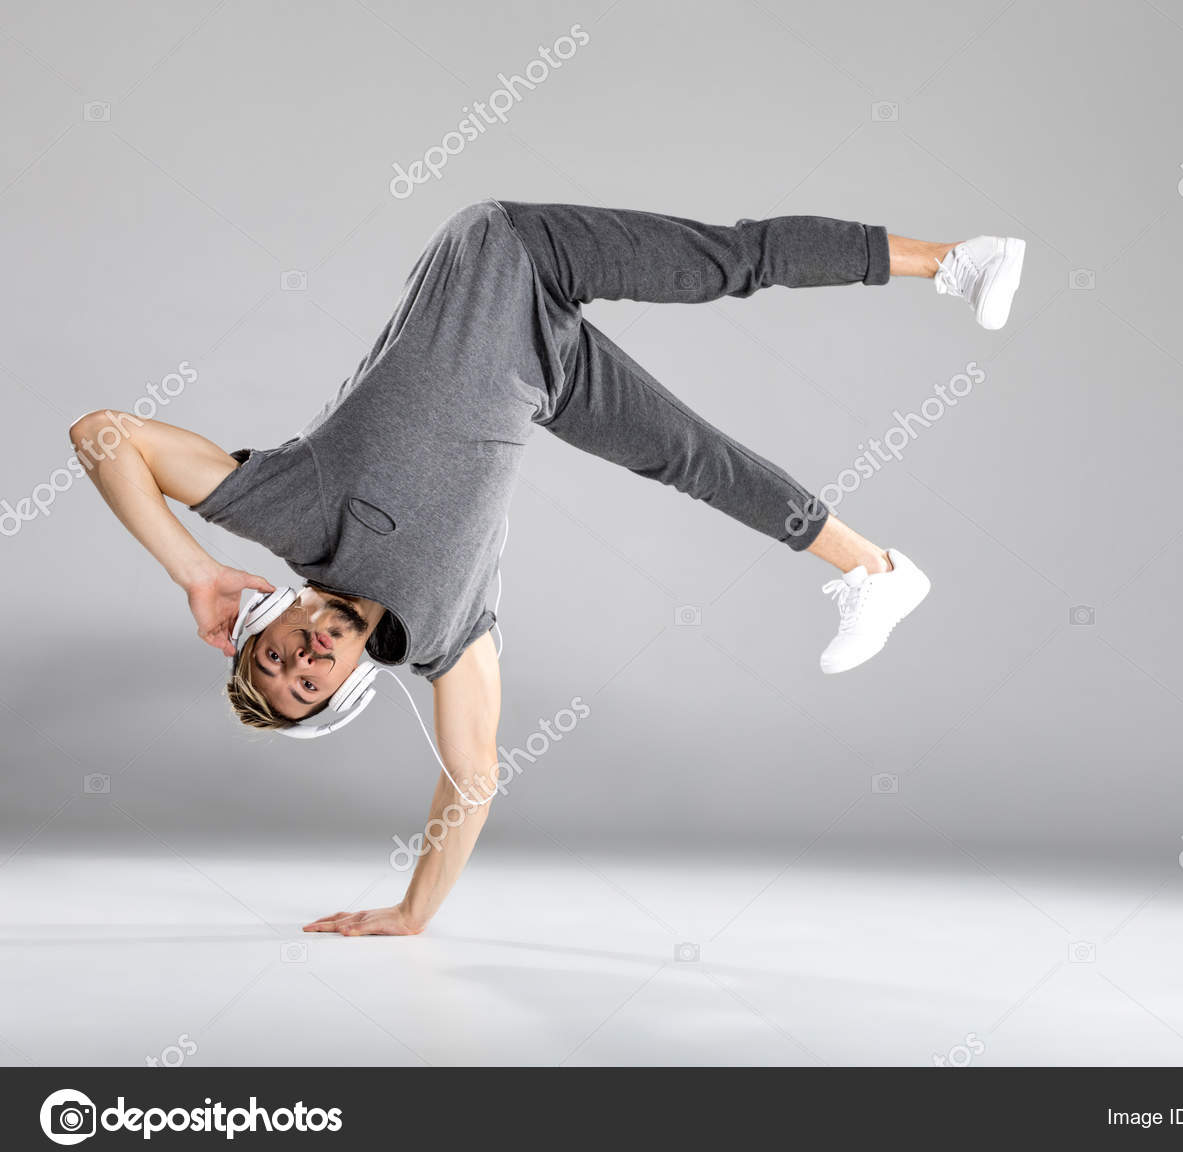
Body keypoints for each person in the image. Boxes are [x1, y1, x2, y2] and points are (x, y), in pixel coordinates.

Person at [70, 201, 1025, 936]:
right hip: (546, 372)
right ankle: (876, 570)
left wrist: (193, 572)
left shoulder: (294, 512)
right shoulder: (446, 637)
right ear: (346, 691)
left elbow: (104, 434)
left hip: (508, 254)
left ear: (265, 618)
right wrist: (412, 914)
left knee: (729, 262)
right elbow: (471, 781)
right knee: (695, 461)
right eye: (304, 683)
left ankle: (956, 260)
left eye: (272, 657)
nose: (298, 659)